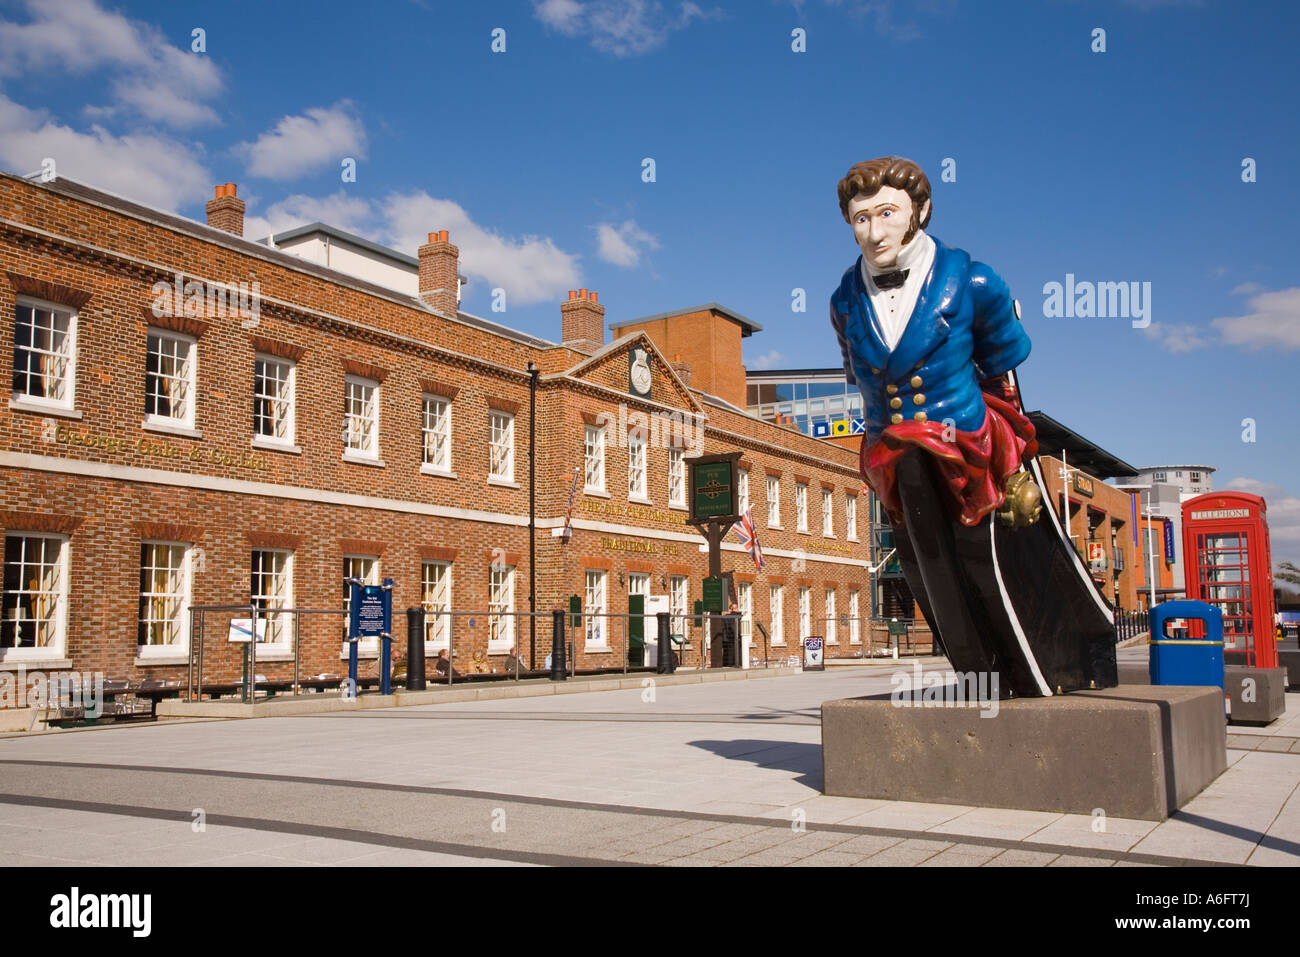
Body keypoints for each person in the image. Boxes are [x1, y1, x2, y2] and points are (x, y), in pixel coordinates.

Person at [829, 156, 1116, 697]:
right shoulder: (844, 301)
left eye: (887, 213)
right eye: (861, 218)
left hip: (964, 445)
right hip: (892, 455)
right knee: (926, 570)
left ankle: (1033, 669)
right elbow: (860, 376)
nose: (873, 231)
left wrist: (1018, 453)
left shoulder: (975, 281)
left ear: (921, 211)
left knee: (983, 562)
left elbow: (1003, 372)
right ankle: (979, 674)